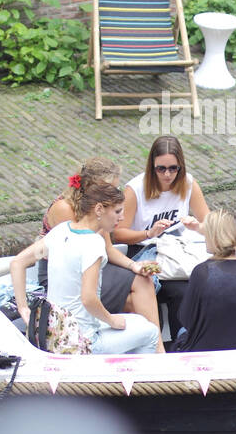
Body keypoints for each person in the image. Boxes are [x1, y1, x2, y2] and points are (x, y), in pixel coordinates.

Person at [12, 183, 161, 355]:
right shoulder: (93, 243)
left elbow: (18, 263)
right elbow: (88, 299)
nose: (122, 218)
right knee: (151, 333)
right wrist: (112, 320)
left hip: (53, 334)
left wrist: (23, 308)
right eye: (118, 211)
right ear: (99, 209)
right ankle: (137, 380)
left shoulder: (60, 231)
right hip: (82, 342)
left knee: (139, 322)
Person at [114, 136, 211, 346]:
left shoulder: (188, 184)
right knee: (150, 291)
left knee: (186, 290)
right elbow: (118, 233)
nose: (167, 174)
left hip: (175, 251)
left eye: (173, 168)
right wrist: (149, 233)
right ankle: (152, 347)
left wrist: (196, 227)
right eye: (161, 169)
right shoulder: (135, 189)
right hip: (143, 250)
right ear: (152, 167)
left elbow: (211, 224)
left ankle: (182, 344)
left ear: (181, 167)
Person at [39, 157, 158, 326]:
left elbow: (108, 249)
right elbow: (71, 259)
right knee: (139, 284)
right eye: (111, 188)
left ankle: (153, 345)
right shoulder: (64, 209)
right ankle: (156, 347)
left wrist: (134, 265)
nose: (115, 192)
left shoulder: (101, 209)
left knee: (137, 291)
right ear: (92, 187)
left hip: (88, 266)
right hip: (61, 276)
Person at [174, 210, 236, 352]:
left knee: (181, 333)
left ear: (214, 236)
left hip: (206, 350)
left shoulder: (202, 272)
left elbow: (186, 318)